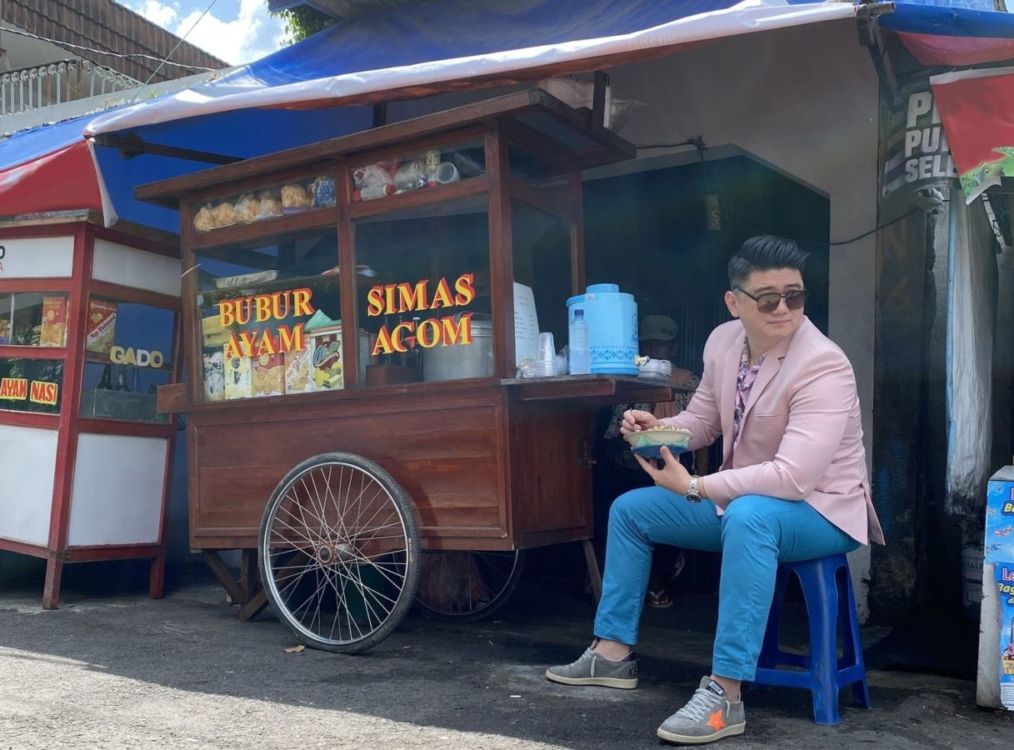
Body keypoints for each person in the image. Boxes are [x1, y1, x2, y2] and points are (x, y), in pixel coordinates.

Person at [546, 235, 885, 745]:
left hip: (821, 512)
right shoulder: (724, 342)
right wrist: (656, 431)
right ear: (734, 302)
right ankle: (612, 654)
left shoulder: (823, 364)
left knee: (750, 517)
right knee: (631, 510)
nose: (784, 309)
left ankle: (725, 693)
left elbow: (794, 477)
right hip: (747, 502)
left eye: (794, 296)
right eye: (767, 299)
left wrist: (696, 485)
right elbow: (702, 422)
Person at [597, 314, 708, 608]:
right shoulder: (628, 380)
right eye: (649, 345)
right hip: (629, 466)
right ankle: (621, 587)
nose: (655, 351)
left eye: (662, 345)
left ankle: (659, 580)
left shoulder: (690, 382)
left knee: (667, 521)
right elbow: (613, 432)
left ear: (674, 348)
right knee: (611, 506)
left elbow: (703, 434)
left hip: (673, 465)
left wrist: (701, 477)